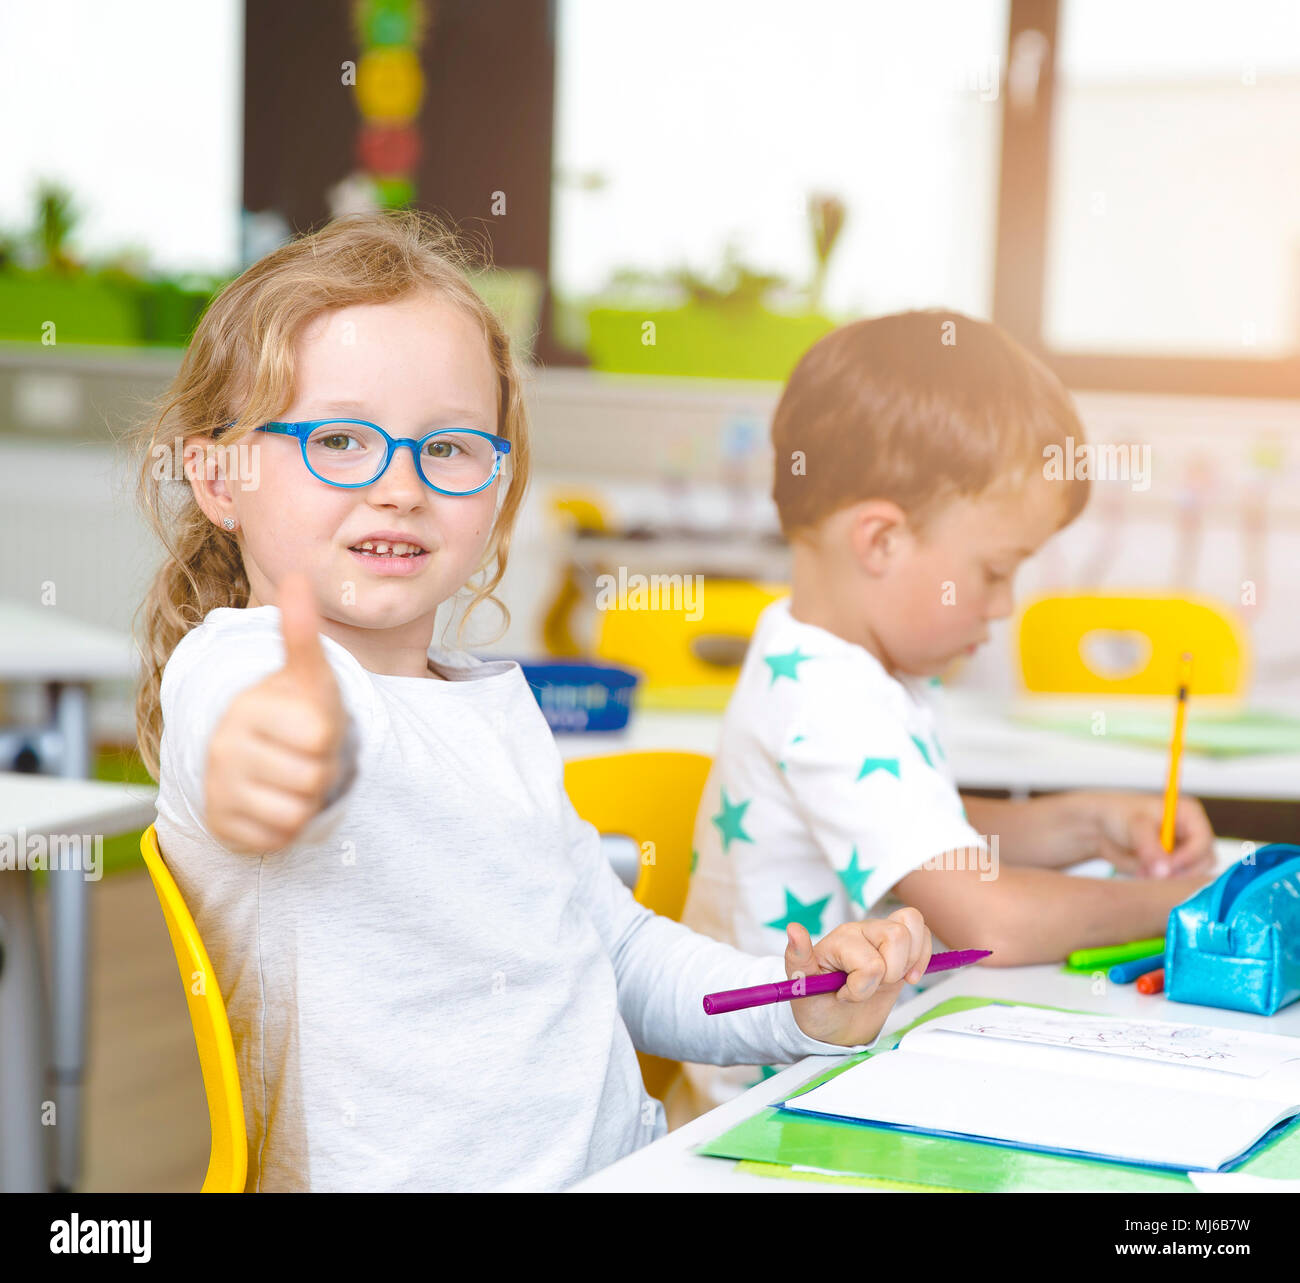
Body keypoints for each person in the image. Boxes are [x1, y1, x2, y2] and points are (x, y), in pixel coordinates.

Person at [132, 210, 932, 1191]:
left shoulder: (490, 709)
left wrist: (796, 1002)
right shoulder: (242, 667)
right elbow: (240, 728)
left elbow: (621, 950)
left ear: (498, 487)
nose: (399, 485)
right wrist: (270, 756)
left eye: (452, 447)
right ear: (218, 474)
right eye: (339, 437)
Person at [674, 310, 1217, 1118]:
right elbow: (985, 910)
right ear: (882, 541)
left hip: (844, 1072)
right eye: (995, 571)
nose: (1003, 606)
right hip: (775, 1112)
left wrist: (1083, 822)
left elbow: (920, 831)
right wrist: (1188, 902)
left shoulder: (836, 662)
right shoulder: (827, 697)